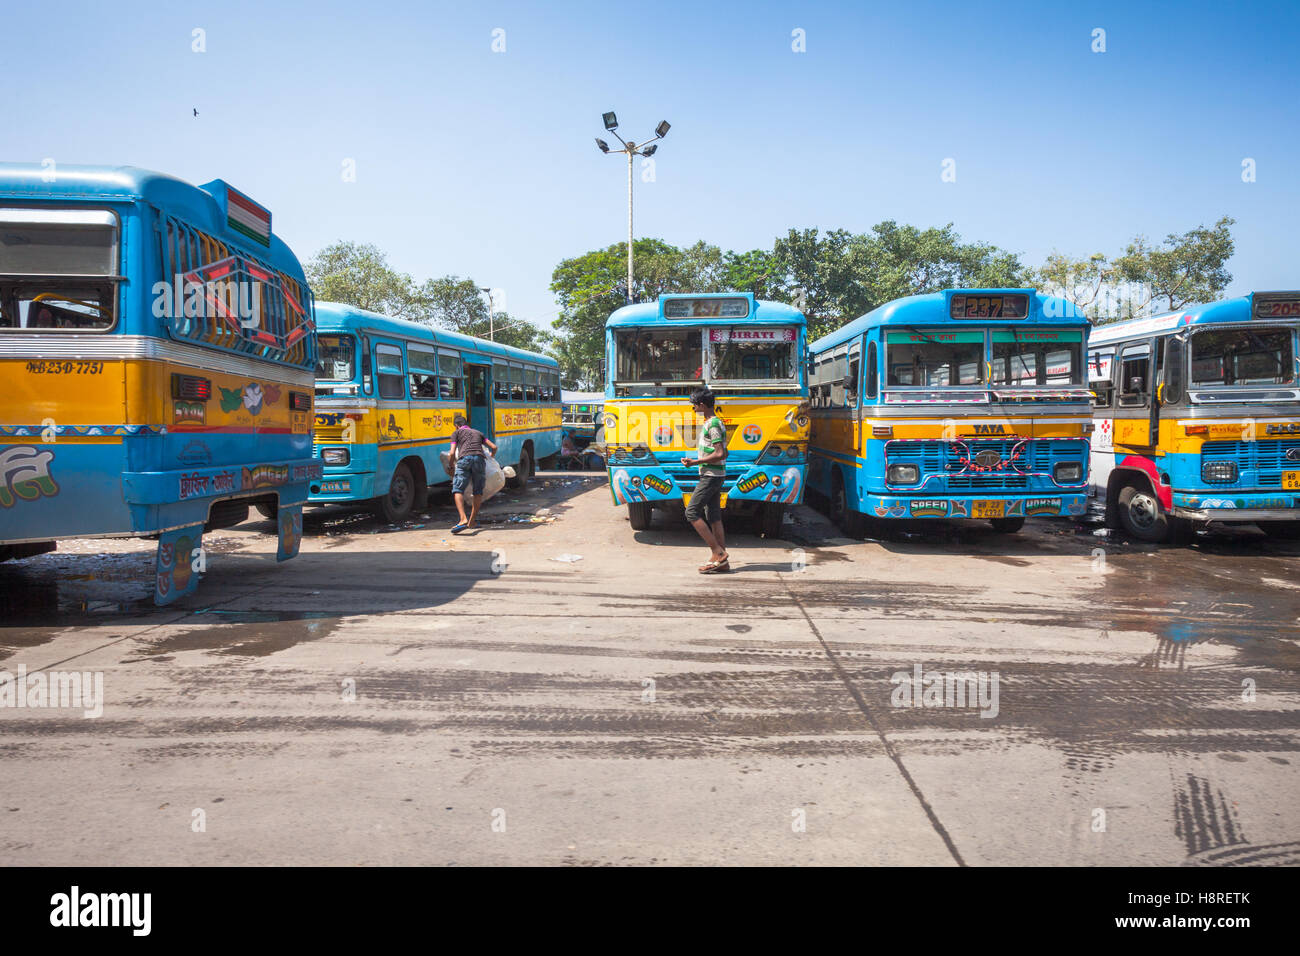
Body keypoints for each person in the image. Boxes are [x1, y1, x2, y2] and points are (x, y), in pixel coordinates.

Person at [679, 388, 729, 573]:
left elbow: (720, 453)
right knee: (714, 516)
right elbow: (725, 452)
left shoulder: (712, 424)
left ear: (702, 405)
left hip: (711, 476)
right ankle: (722, 562)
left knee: (691, 512)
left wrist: (695, 462)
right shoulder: (715, 422)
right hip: (716, 474)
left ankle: (718, 553)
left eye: (694, 405)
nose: (693, 408)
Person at [447, 414, 497, 533]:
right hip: (479, 460)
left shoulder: (456, 433)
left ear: (456, 426)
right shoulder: (478, 433)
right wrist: (491, 457)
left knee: (458, 489)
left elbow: (451, 453)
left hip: (464, 460)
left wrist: (450, 466)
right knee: (478, 491)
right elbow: (494, 447)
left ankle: (463, 519)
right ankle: (472, 521)